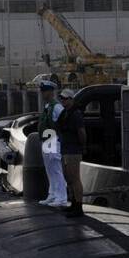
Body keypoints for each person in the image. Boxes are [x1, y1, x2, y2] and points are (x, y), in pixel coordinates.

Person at [58, 88, 88, 218]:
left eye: (65, 98)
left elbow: (81, 132)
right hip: (65, 149)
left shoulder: (76, 114)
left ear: (71, 99)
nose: (63, 100)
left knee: (75, 178)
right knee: (68, 178)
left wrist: (83, 146)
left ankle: (79, 206)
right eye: (62, 98)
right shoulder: (65, 113)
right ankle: (73, 203)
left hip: (73, 150)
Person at [38, 81, 68, 207]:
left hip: (53, 139)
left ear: (51, 92)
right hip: (46, 139)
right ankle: (53, 194)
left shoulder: (57, 107)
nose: (43, 93)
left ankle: (61, 197)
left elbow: (64, 122)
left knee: (56, 169)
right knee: (49, 169)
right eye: (42, 91)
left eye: (44, 91)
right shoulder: (47, 106)